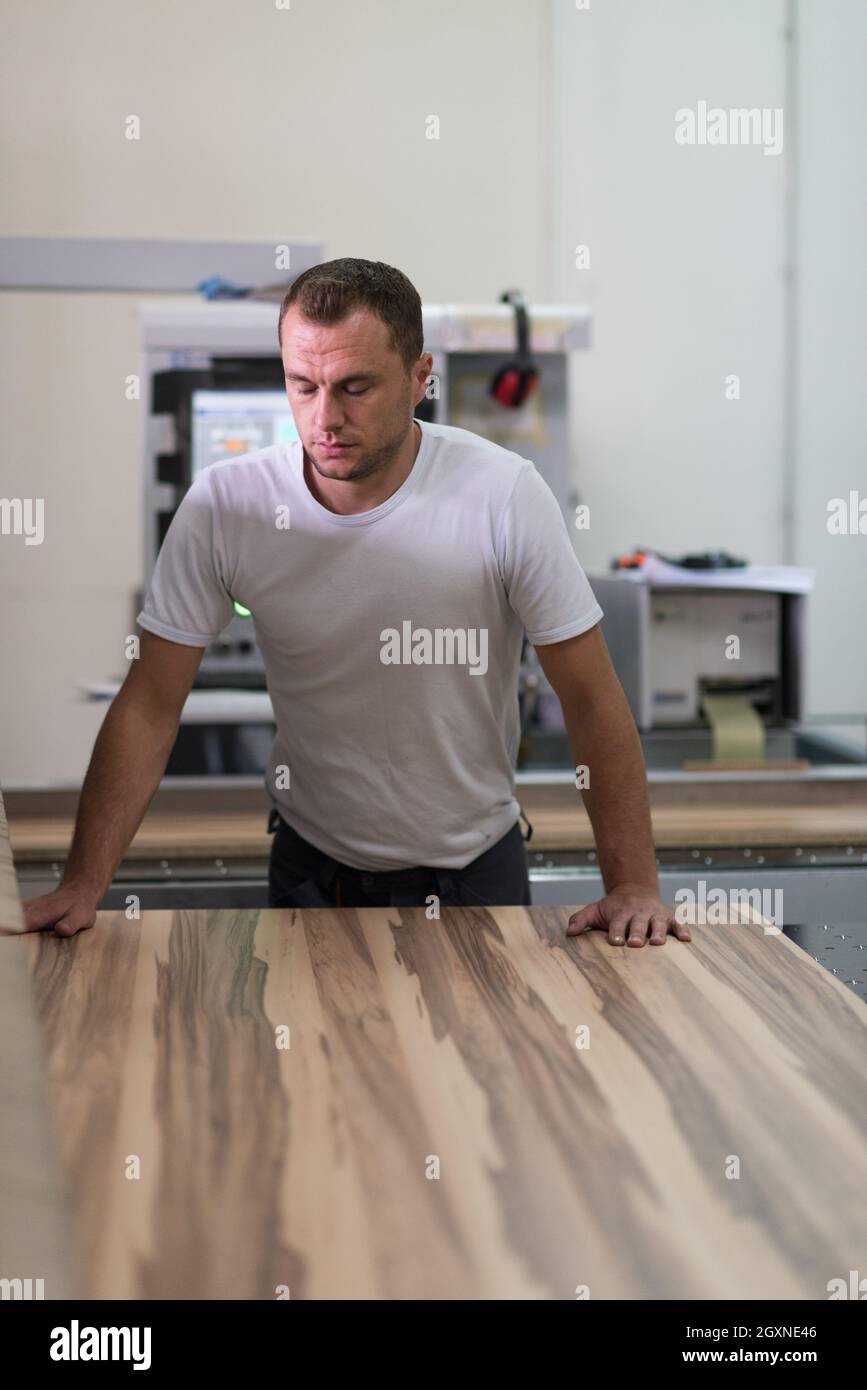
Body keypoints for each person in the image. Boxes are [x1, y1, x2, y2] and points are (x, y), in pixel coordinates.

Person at [18, 258, 689, 949]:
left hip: (471, 876)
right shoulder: (228, 505)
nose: (325, 417)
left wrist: (633, 884)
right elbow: (151, 702)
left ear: (420, 377)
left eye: (355, 387)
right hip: (312, 873)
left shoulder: (501, 496)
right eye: (301, 386)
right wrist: (82, 885)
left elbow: (589, 697)